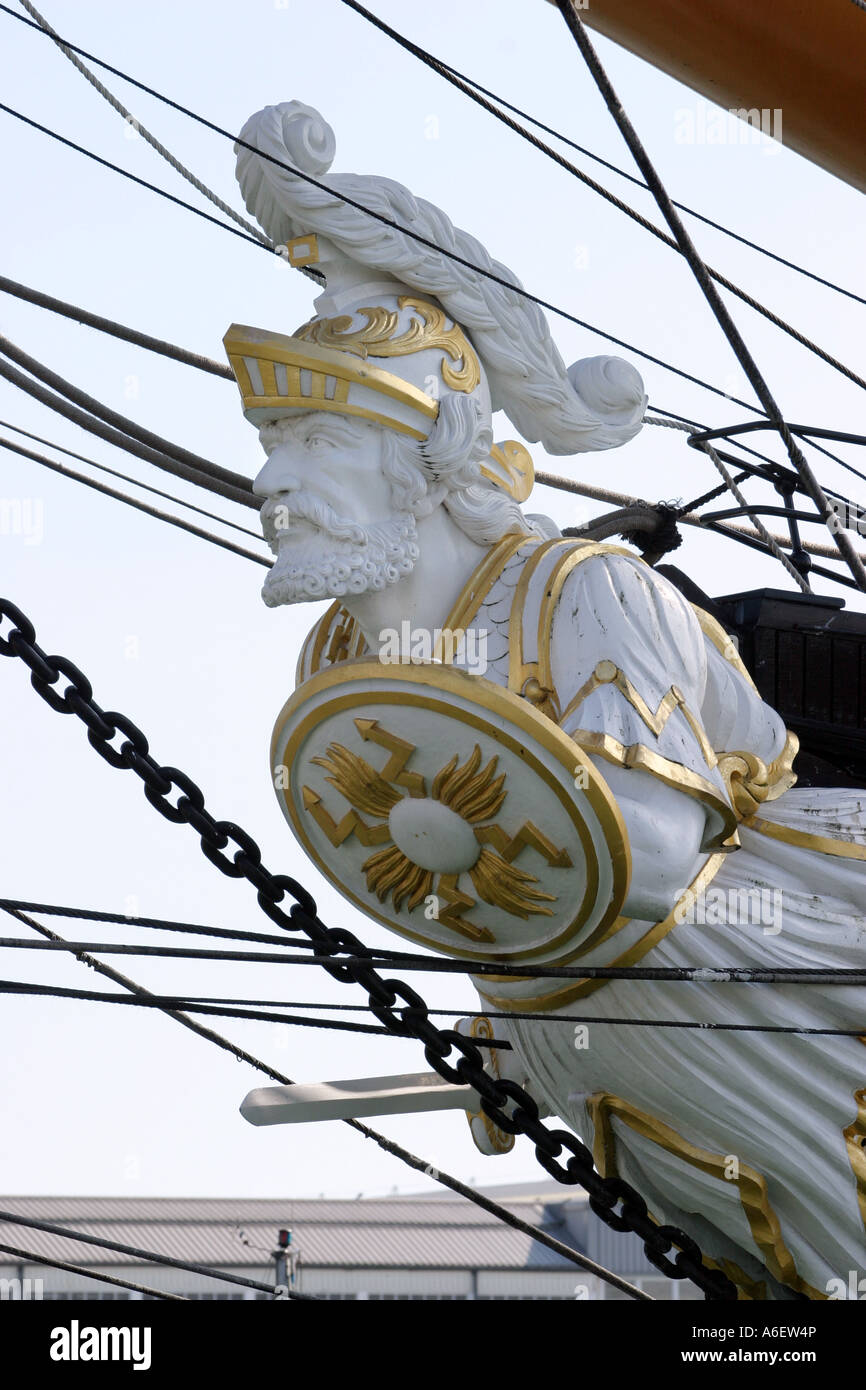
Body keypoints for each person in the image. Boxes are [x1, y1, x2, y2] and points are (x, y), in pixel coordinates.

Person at [224, 101, 866, 1298]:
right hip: (599, 1034)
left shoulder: (578, 590)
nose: (269, 478)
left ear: (427, 458)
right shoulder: (338, 663)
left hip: (778, 980)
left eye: (309, 442)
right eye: (272, 442)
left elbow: (649, 856)